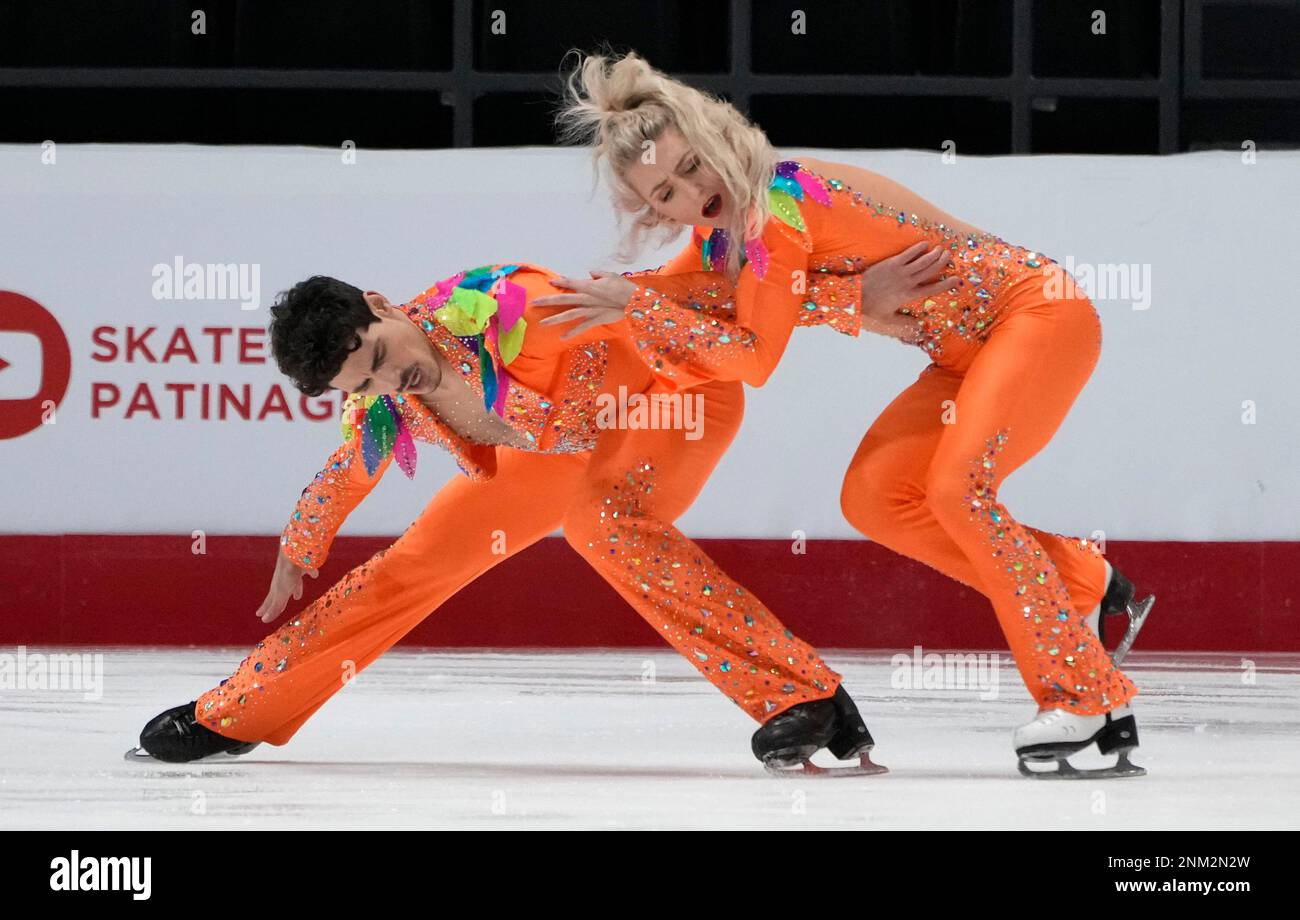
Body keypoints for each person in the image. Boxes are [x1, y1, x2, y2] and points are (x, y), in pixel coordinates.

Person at [537, 50, 1154, 778]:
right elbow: (689, 299)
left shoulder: (775, 206)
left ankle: (1086, 693)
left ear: (720, 139)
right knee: (877, 497)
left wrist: (640, 305)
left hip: (1038, 314)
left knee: (957, 488)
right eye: (666, 192)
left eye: (693, 165)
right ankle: (1082, 580)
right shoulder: (730, 235)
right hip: (963, 357)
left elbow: (752, 355)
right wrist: (576, 301)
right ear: (654, 210)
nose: (691, 191)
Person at [129, 263, 892, 775]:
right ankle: (236, 712)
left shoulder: (505, 300)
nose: (394, 377)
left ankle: (803, 695)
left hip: (668, 406)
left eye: (382, 354)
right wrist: (301, 542)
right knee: (408, 565)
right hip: (548, 455)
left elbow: (677, 295)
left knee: (606, 527)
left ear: (385, 308)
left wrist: (849, 299)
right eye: (366, 380)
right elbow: (353, 462)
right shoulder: (388, 395)